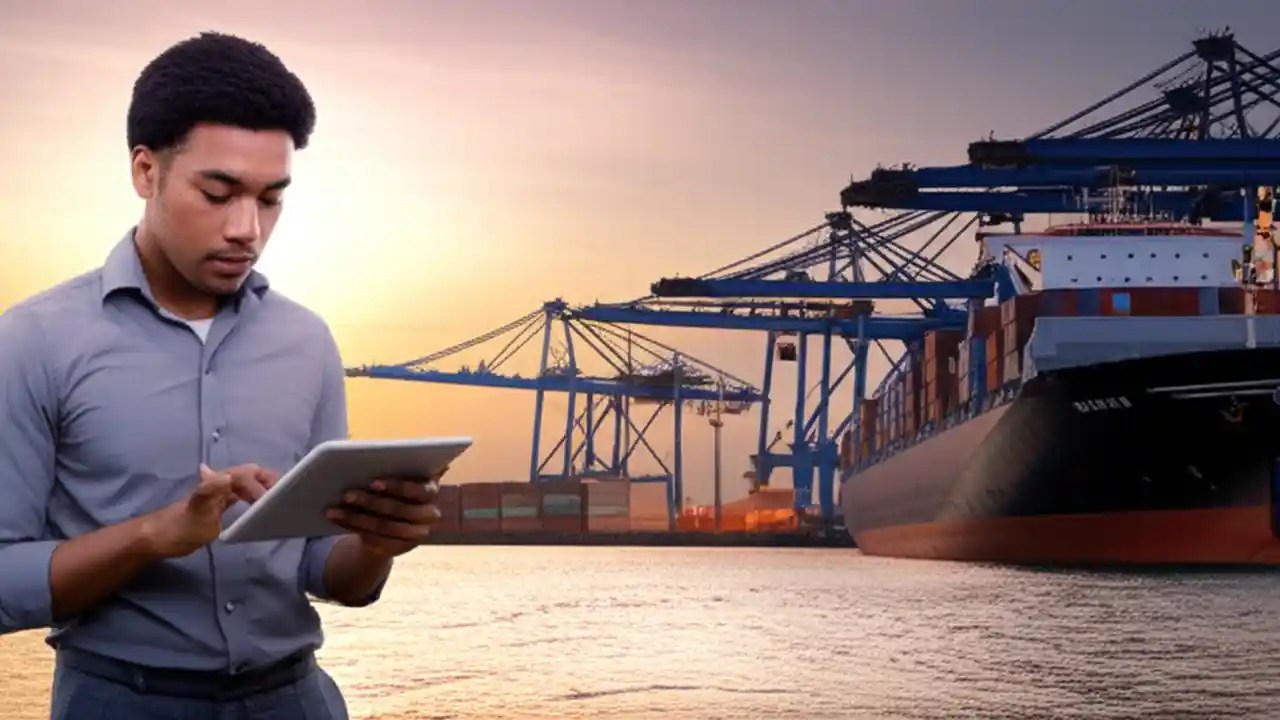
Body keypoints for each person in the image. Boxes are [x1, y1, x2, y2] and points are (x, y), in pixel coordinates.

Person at [0, 31, 444, 719]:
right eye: (219, 192)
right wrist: (153, 535)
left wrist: (377, 546)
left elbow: (330, 572)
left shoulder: (308, 343)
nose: (248, 229)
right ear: (145, 172)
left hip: (297, 699)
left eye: (271, 199)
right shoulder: (32, 341)